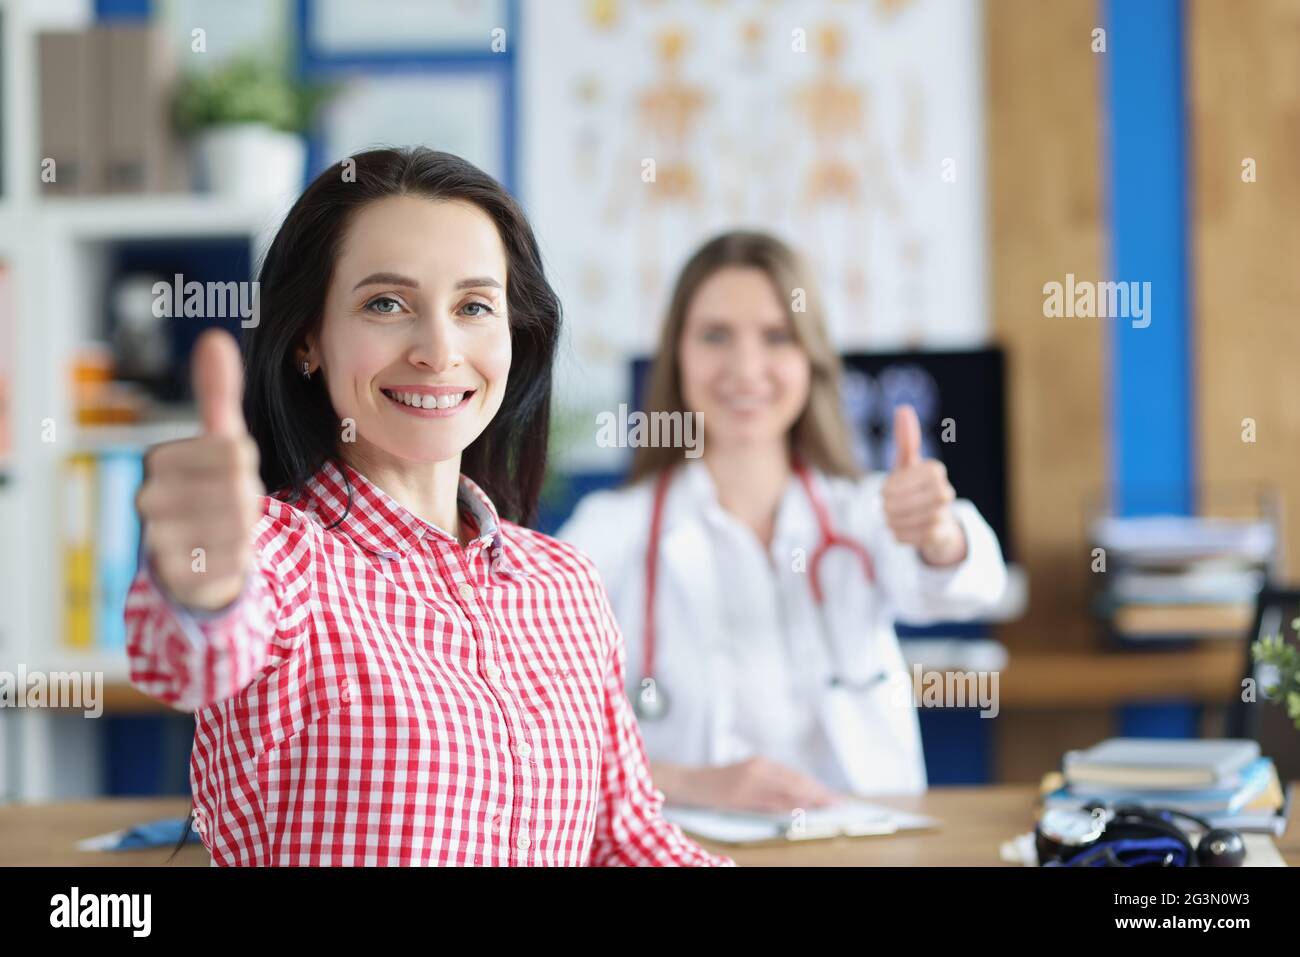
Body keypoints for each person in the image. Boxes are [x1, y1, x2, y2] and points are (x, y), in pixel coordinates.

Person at [125, 147, 732, 867]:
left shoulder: (563, 582)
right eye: (386, 304)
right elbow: (191, 659)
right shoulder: (278, 553)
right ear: (308, 340)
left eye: (474, 306)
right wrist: (199, 585)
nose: (439, 350)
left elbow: (623, 837)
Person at [557, 231, 1007, 814]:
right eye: (715, 336)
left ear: (811, 357)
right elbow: (544, 736)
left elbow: (973, 588)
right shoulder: (609, 532)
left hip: (861, 849)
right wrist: (694, 783)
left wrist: (939, 536)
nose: (746, 369)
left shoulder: (865, 513)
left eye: (776, 336)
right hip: (690, 848)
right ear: (679, 355)